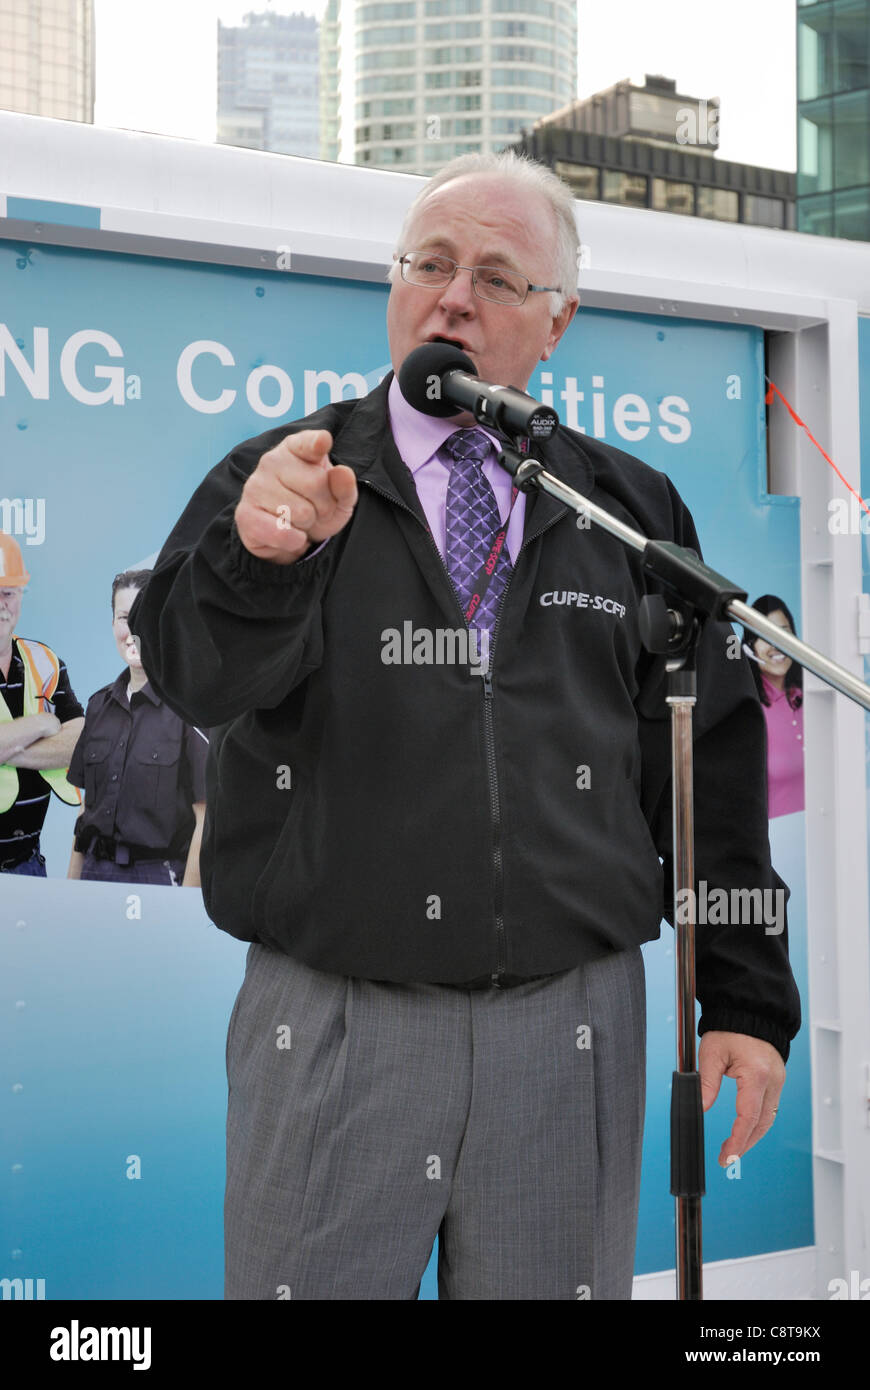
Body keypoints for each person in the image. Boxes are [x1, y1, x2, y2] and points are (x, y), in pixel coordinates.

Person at [128, 150, 800, 1301]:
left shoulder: (628, 510)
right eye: (430, 265)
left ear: (558, 321)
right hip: (337, 1025)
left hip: (569, 1024)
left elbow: (704, 760)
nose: (454, 297)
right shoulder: (290, 474)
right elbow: (195, 679)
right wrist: (257, 561)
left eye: (498, 276)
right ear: (395, 287)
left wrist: (742, 992)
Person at [66, 569, 208, 888]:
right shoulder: (97, 706)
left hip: (158, 879)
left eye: (145, 614)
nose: (132, 629)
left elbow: (205, 819)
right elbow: (83, 812)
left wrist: (183, 905)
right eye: (123, 616)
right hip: (93, 873)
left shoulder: (190, 710)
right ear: (113, 623)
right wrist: (69, 891)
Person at [0, 531, 84, 876]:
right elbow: (60, 733)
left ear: (21, 596)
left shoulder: (44, 660)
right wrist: (41, 725)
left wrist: (7, 747)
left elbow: (79, 741)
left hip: (28, 864)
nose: (1, 605)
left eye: (7, 593)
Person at [742, 595, 804, 819]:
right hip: (775, 841)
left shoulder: (814, 700)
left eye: (783, 632)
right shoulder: (749, 710)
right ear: (750, 646)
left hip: (831, 832)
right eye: (765, 635)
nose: (776, 644)